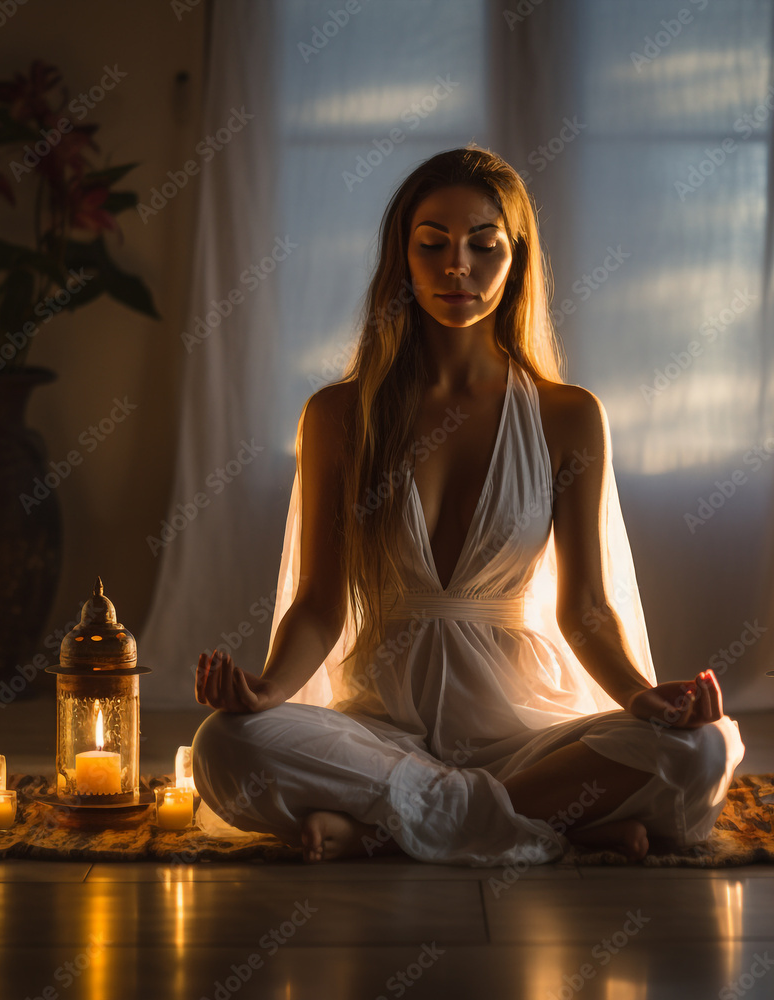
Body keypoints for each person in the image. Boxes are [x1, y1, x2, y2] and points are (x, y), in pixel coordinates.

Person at [191, 146, 744, 867]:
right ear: (403, 259)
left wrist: (643, 699)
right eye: (433, 245)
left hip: (526, 737)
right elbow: (321, 604)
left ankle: (388, 830)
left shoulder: (566, 416)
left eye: (485, 247)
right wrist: (262, 692)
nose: (459, 267)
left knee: (703, 747)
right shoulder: (338, 415)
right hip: (381, 733)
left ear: (515, 262)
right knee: (226, 746)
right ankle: (551, 823)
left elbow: (587, 609)